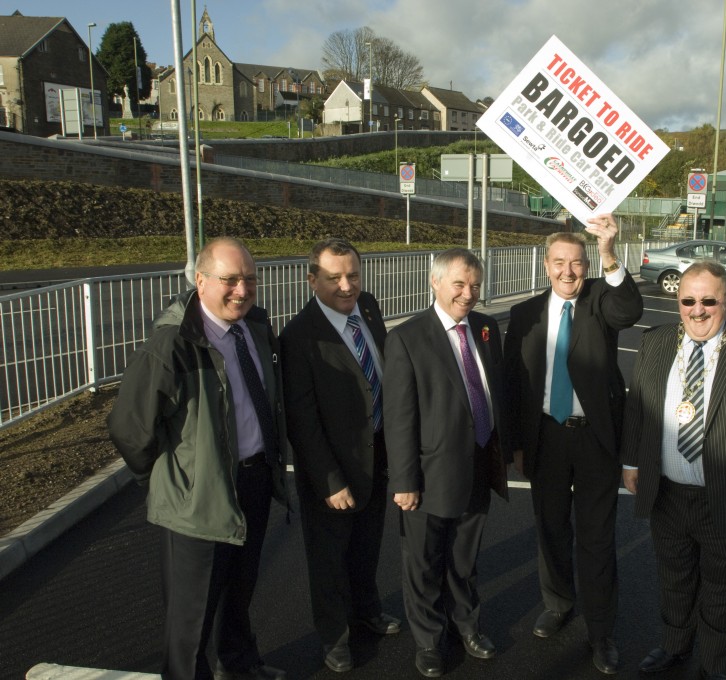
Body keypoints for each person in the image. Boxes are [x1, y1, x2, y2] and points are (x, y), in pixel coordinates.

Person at [107, 237, 290, 680]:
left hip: (254, 480)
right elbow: (129, 427)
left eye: (250, 279)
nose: (242, 290)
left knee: (239, 591)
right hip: (197, 500)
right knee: (191, 622)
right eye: (230, 280)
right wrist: (170, 481)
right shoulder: (174, 344)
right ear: (201, 280)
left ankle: (239, 664)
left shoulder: (255, 328)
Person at [621, 260, 726, 680]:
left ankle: (714, 665)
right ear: (678, 302)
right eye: (688, 301)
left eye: (708, 301)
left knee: (723, 585)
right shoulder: (656, 341)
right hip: (667, 492)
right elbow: (637, 407)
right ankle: (675, 645)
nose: (697, 310)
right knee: (674, 576)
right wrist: (631, 461)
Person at [503, 215, 643, 675]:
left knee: (596, 538)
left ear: (587, 266)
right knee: (551, 529)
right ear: (545, 265)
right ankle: (558, 602)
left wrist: (608, 252)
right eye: (559, 262)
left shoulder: (600, 299)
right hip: (545, 436)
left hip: (595, 439)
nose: (568, 271)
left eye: (577, 263)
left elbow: (630, 312)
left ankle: (601, 632)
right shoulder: (524, 314)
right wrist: (516, 445)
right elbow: (513, 383)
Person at [382, 248, 510, 679]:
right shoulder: (407, 337)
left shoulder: (486, 327)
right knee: (423, 563)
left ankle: (466, 626)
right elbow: (399, 417)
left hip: (478, 464)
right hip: (428, 475)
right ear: (434, 282)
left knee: (464, 559)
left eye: (475, 285)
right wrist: (404, 480)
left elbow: (494, 390)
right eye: (459, 284)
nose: (468, 294)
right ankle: (428, 641)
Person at [278, 238, 401, 674]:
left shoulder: (368, 306)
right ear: (312, 279)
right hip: (332, 469)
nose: (346, 286)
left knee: (366, 547)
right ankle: (334, 637)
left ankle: (366, 610)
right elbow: (302, 420)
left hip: (377, 454)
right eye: (334, 278)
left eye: (353, 275)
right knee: (329, 559)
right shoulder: (299, 337)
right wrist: (330, 480)